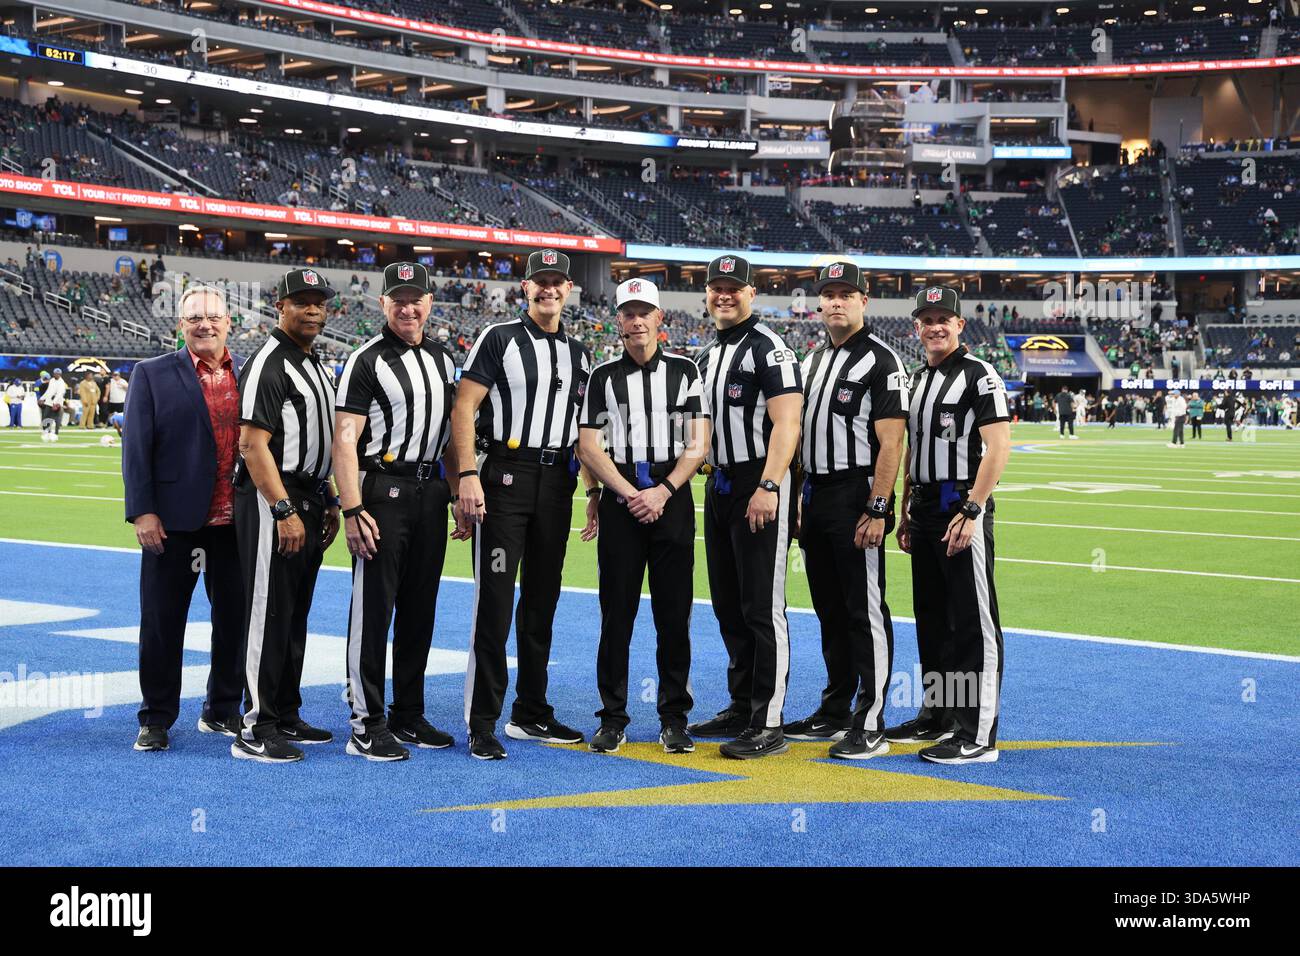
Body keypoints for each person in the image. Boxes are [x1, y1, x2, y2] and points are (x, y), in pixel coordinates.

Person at [452, 249, 597, 760]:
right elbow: (464, 408)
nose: (549, 290)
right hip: (505, 480)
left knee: (542, 600)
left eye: (558, 282)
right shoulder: (499, 338)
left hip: (557, 483)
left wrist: (594, 492)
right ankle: (482, 719)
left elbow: (586, 432)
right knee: (494, 601)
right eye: (541, 282)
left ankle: (530, 711)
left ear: (569, 289)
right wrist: (467, 476)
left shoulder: (581, 354)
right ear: (526, 287)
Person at [333, 262, 461, 762]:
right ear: (382, 303)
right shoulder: (366, 359)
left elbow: (450, 436)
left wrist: (457, 493)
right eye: (398, 299)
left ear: (430, 303)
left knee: (419, 609)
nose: (408, 307)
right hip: (382, 487)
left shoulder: (443, 358)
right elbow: (345, 441)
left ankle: (408, 713)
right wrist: (351, 508)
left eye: (417, 298)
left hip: (430, 490)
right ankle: (366, 722)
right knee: (373, 608)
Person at [577, 278, 710, 755]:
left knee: (674, 616)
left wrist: (663, 491)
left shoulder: (685, 371)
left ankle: (674, 717)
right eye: (628, 313)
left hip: (670, 500)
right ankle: (613, 717)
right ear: (618, 321)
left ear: (660, 319)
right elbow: (589, 445)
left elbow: (698, 444)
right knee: (617, 616)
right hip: (622, 500)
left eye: (644, 312)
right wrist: (633, 494)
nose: (636, 320)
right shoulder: (602, 376)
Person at [785, 262, 908, 760]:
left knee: (864, 609)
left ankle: (871, 717)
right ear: (819, 303)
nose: (837, 302)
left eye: (846, 294)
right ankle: (835, 708)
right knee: (829, 609)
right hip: (815, 494)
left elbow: (891, 442)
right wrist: (796, 495)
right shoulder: (811, 360)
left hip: (856, 492)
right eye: (829, 294)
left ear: (865, 301)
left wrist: (878, 507)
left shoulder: (882, 361)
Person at [687, 254, 803, 760]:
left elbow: (787, 424)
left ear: (752, 292)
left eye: (734, 287)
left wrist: (771, 485)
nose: (724, 295)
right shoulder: (708, 355)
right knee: (728, 604)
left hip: (759, 485)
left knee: (762, 606)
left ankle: (768, 718)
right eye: (717, 287)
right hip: (721, 488)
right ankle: (741, 703)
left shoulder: (770, 349)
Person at [123, 285, 247, 753]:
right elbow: (135, 448)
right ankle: (156, 716)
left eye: (213, 316)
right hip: (172, 523)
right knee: (161, 621)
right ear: (180, 324)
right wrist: (143, 511)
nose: (205, 324)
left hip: (236, 522)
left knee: (234, 621)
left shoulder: (249, 373)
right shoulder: (152, 373)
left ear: (229, 322)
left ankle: (221, 710)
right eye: (194, 317)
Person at [891, 286, 1011, 765]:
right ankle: (938, 714)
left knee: (973, 623)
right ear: (916, 327)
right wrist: (904, 512)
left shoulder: (979, 374)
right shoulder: (917, 379)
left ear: (961, 325)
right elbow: (911, 454)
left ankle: (978, 734)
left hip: (961, 508)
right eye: (927, 318)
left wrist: (973, 508)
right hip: (923, 511)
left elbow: (998, 447)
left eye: (945, 318)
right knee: (934, 621)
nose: (936, 326)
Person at [232, 268, 341, 763]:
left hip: (311, 495)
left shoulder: (313, 362)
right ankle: (255, 726)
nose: (312, 309)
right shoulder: (269, 362)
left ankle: (285, 711)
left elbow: (319, 443)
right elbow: (252, 445)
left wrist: (332, 497)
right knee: (267, 613)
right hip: (275, 498)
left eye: (318, 302)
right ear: (280, 306)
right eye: (301, 301)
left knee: (294, 612)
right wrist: (283, 509)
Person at [39, 368, 67, 442]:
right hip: (49, 402)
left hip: (57, 403)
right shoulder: (51, 380)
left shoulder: (62, 382)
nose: (56, 375)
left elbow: (59, 393)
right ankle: (46, 432)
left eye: (58, 374)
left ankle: (56, 434)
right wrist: (42, 398)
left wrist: (54, 402)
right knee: (45, 417)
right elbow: (49, 391)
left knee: (57, 419)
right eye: (55, 373)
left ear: (60, 374)